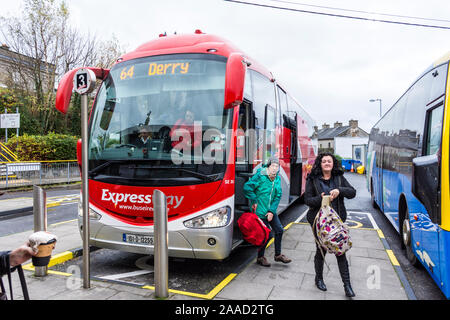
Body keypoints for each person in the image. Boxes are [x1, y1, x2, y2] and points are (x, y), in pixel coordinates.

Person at [304, 152, 356, 297]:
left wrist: (340, 191)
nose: (327, 163)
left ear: (333, 164)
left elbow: (352, 192)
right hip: (319, 222)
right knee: (321, 250)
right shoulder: (312, 179)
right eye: (324, 161)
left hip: (336, 221)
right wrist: (320, 199)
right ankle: (319, 279)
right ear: (320, 164)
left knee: (341, 252)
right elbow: (307, 200)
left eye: (330, 161)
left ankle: (347, 285)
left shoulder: (339, 178)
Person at [243, 156, 292, 267]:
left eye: (277, 166)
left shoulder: (277, 178)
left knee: (279, 230)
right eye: (273, 166)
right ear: (268, 166)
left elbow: (278, 195)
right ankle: (260, 257)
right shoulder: (261, 175)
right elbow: (247, 187)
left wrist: (271, 211)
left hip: (270, 210)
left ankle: (278, 255)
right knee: (266, 234)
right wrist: (254, 200)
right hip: (260, 211)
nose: (275, 168)